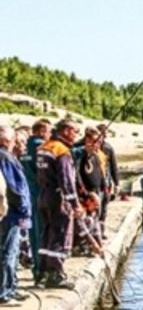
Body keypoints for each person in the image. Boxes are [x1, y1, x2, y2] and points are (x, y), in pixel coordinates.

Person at [35, 119, 82, 289]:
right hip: (57, 197)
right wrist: (75, 204)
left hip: (43, 194)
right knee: (60, 233)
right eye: (75, 131)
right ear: (67, 130)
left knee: (47, 232)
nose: (77, 135)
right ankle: (56, 274)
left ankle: (42, 271)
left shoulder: (44, 147)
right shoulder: (62, 151)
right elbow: (66, 180)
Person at [0, 126, 33, 303]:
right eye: (15, 140)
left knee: (13, 252)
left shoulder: (8, 157)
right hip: (12, 214)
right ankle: (4, 291)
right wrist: (23, 207)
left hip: (12, 212)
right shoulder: (5, 158)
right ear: (7, 141)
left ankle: (11, 287)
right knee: (8, 252)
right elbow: (13, 188)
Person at [23, 118, 51, 285]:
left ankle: (37, 269)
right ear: (41, 131)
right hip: (40, 194)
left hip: (29, 194)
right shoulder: (40, 146)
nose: (50, 135)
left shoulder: (25, 147)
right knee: (43, 233)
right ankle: (42, 270)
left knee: (33, 234)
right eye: (48, 131)